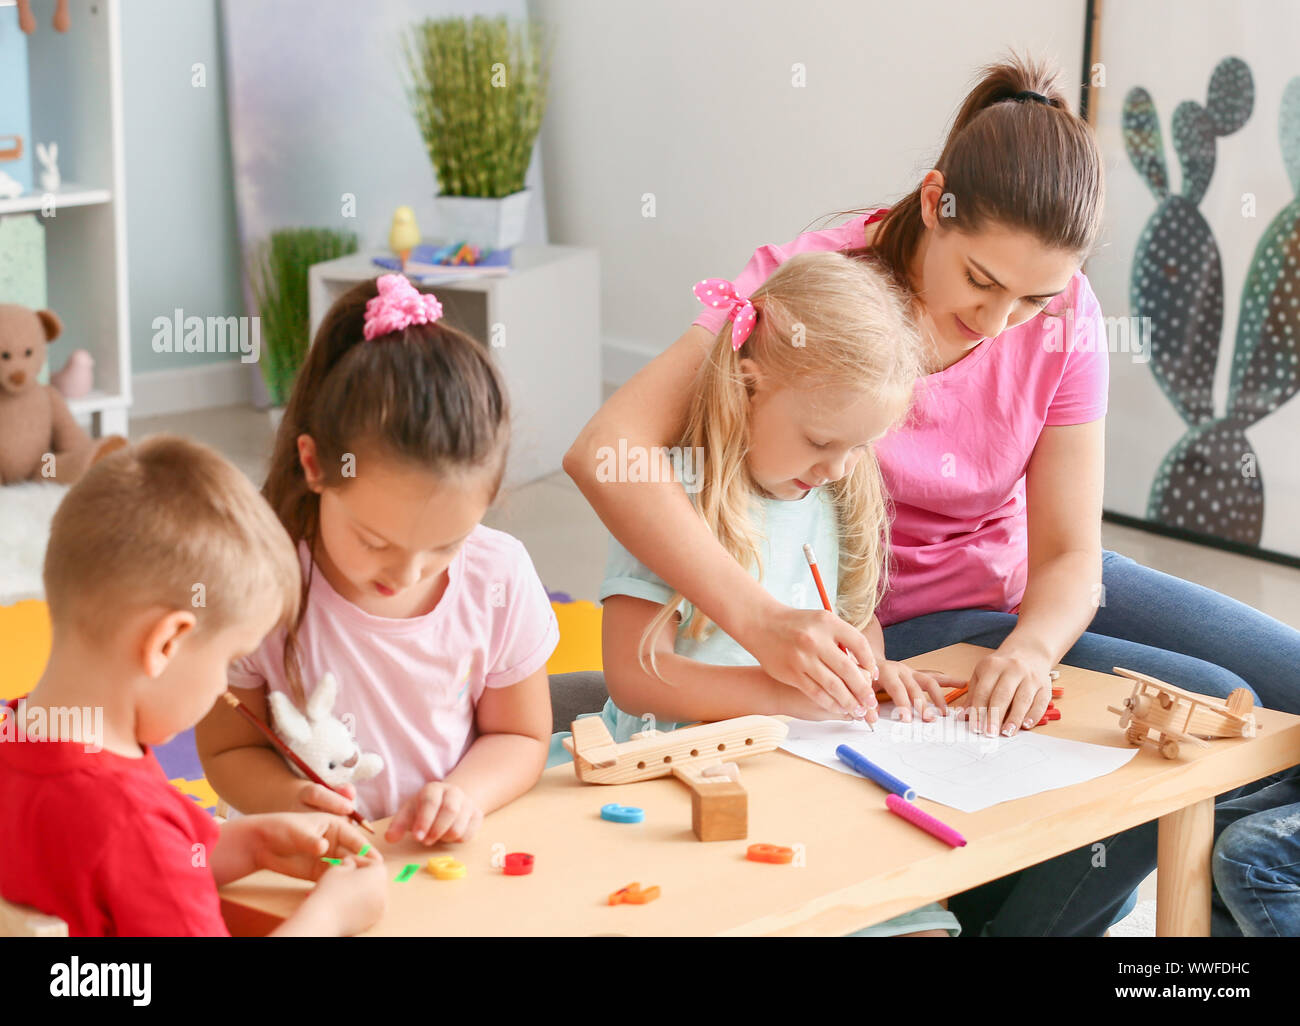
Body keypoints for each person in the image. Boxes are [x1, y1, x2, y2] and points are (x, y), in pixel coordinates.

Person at [565, 53, 1300, 935]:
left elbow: (1067, 553)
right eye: (981, 281)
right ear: (932, 202)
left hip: (1012, 580)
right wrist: (760, 619)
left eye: (1034, 298)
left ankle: (1245, 871)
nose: (998, 323)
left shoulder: (1061, 316)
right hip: (894, 613)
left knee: (1284, 686)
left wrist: (1032, 650)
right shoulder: (816, 291)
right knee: (1196, 719)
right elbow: (606, 451)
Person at [198, 274, 559, 848]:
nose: (407, 574)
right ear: (315, 465)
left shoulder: (499, 576)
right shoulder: (262, 584)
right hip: (295, 862)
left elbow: (521, 735)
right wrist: (294, 803)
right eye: (374, 541)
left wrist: (465, 793)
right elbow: (225, 747)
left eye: (446, 544)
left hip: (429, 868)